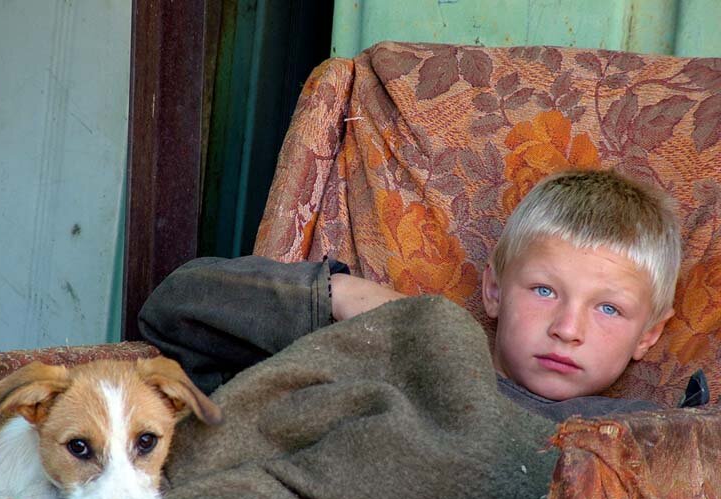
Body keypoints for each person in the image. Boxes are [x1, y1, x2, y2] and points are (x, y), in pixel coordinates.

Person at [139, 168, 682, 422]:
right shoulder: (405, 343)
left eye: (608, 308)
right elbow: (172, 311)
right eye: (544, 290)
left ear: (649, 334)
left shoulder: (638, 433)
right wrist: (339, 295)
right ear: (493, 290)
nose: (569, 327)